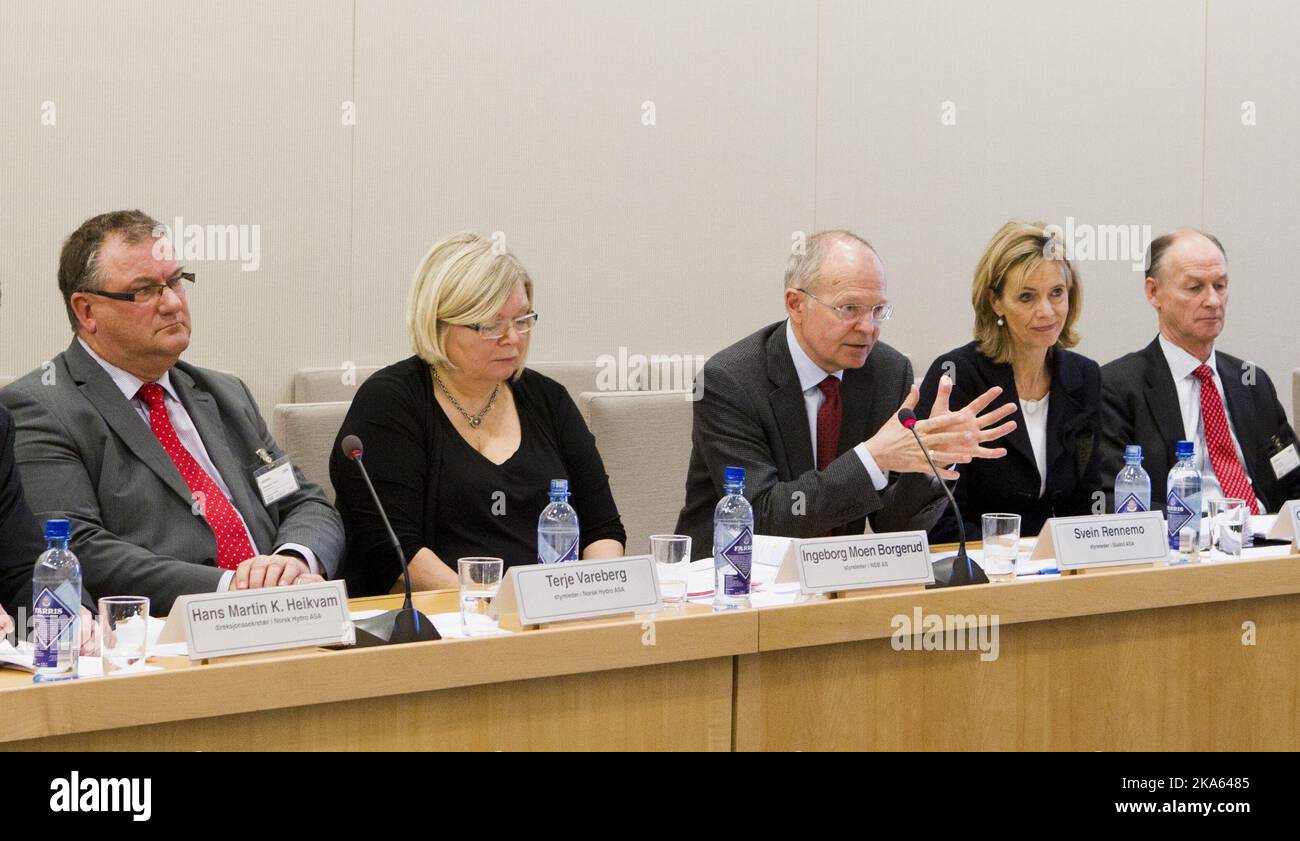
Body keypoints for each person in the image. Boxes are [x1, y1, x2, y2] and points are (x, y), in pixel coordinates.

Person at [0, 210, 343, 615]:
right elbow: (75, 546)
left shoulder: (224, 394)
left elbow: (302, 501)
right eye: (144, 290)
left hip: (286, 612)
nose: (173, 302)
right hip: (161, 640)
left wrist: (292, 561)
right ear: (87, 311)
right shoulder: (40, 406)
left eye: (176, 281)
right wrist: (231, 589)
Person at [675, 229, 1018, 556]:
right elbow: (761, 519)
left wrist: (931, 462)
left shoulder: (887, 372)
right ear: (795, 305)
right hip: (728, 582)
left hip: (836, 579)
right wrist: (872, 458)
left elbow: (893, 529)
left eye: (878, 310)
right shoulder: (728, 381)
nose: (868, 328)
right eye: (849, 309)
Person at [331, 232, 626, 596]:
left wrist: (594, 596)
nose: (513, 338)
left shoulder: (549, 400)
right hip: (439, 621)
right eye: (490, 325)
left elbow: (602, 529)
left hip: (548, 617)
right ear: (440, 323)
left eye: (522, 320)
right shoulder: (390, 402)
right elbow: (392, 552)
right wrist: (493, 605)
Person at [917, 220, 1101, 543]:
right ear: (995, 301)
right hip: (977, 568)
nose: (1047, 311)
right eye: (1027, 297)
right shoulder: (957, 376)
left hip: (1059, 571)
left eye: (1056, 293)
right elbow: (937, 515)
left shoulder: (1084, 376)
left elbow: (1090, 500)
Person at [1101, 228, 1300, 512]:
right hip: (1182, 544)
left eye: (1220, 286)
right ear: (1153, 292)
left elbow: (1292, 477)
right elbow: (1115, 501)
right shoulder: (1117, 387)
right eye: (1195, 288)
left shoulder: (1252, 382)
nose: (1213, 301)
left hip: (1263, 542)